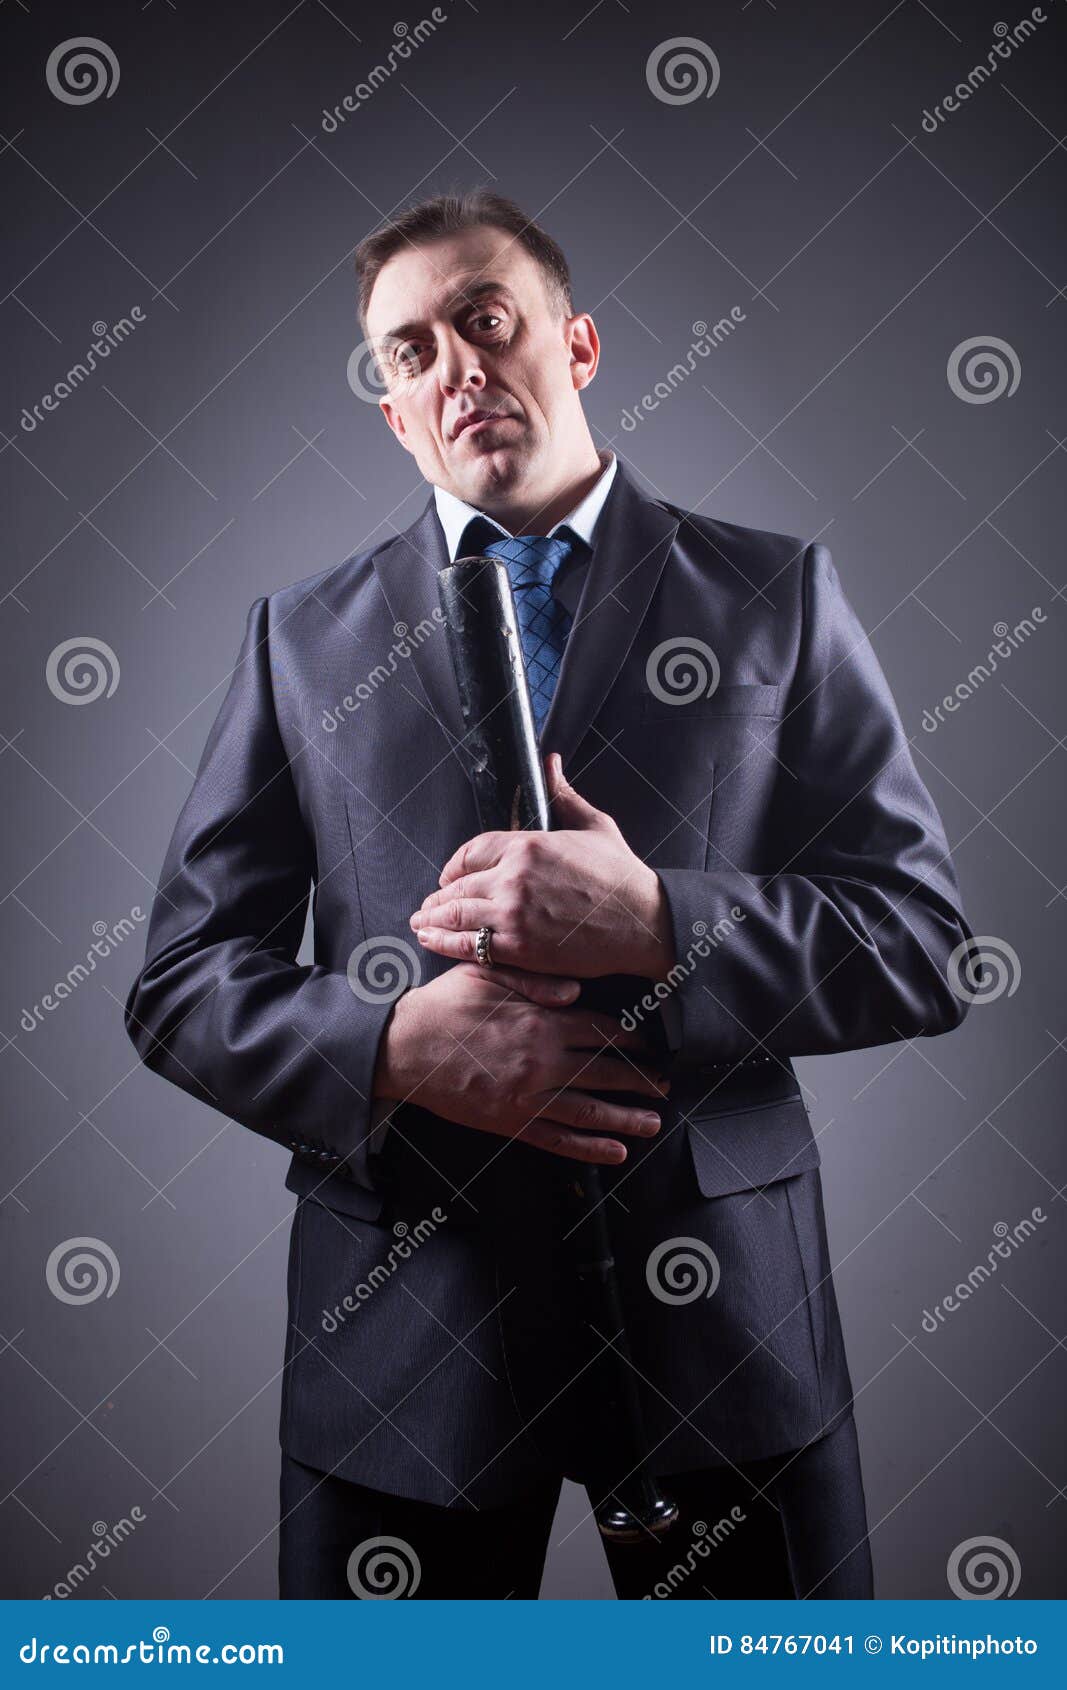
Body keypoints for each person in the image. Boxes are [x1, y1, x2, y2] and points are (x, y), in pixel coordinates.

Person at [125, 189, 972, 1600]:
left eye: (485, 319)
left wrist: (661, 924)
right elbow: (181, 980)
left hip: (728, 1350)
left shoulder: (777, 598)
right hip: (406, 1349)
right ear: (395, 414)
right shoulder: (301, 641)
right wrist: (395, 1047)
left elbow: (928, 943)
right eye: (408, 353)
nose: (453, 366)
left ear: (575, 344)